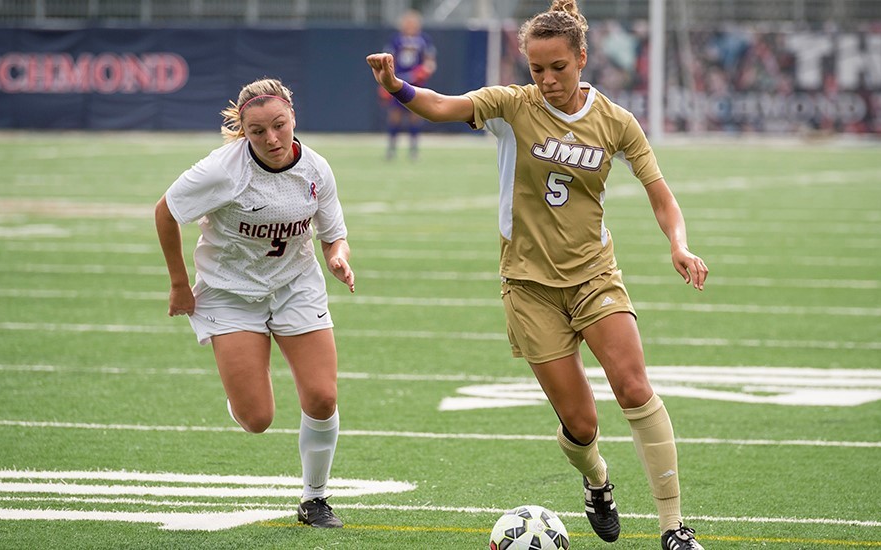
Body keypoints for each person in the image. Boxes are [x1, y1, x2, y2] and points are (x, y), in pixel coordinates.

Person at [366, 1, 708, 548]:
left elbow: (660, 195)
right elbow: (442, 105)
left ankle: (674, 527)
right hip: (528, 287)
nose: (547, 80)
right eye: (537, 69)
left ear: (582, 59)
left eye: (559, 68)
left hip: (594, 276)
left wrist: (680, 246)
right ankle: (597, 480)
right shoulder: (509, 105)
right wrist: (397, 87)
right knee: (583, 425)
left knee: (635, 387)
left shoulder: (616, 121)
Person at [154, 77, 355, 529]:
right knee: (257, 418)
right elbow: (165, 212)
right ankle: (239, 388)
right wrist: (178, 284)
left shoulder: (316, 169)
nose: (272, 139)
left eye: (279, 126)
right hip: (229, 294)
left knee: (322, 397)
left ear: (293, 118)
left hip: (296, 286)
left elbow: (332, 233)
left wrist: (338, 258)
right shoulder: (222, 171)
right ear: (243, 132)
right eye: (258, 131)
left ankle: (315, 498)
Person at [379, 9, 437, 160]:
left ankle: (414, 149)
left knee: (415, 115)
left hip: (416, 85)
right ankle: (391, 149)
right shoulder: (396, 40)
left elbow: (430, 62)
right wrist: (386, 81)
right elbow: (388, 60)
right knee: (395, 116)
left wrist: (424, 70)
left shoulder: (424, 40)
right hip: (397, 82)